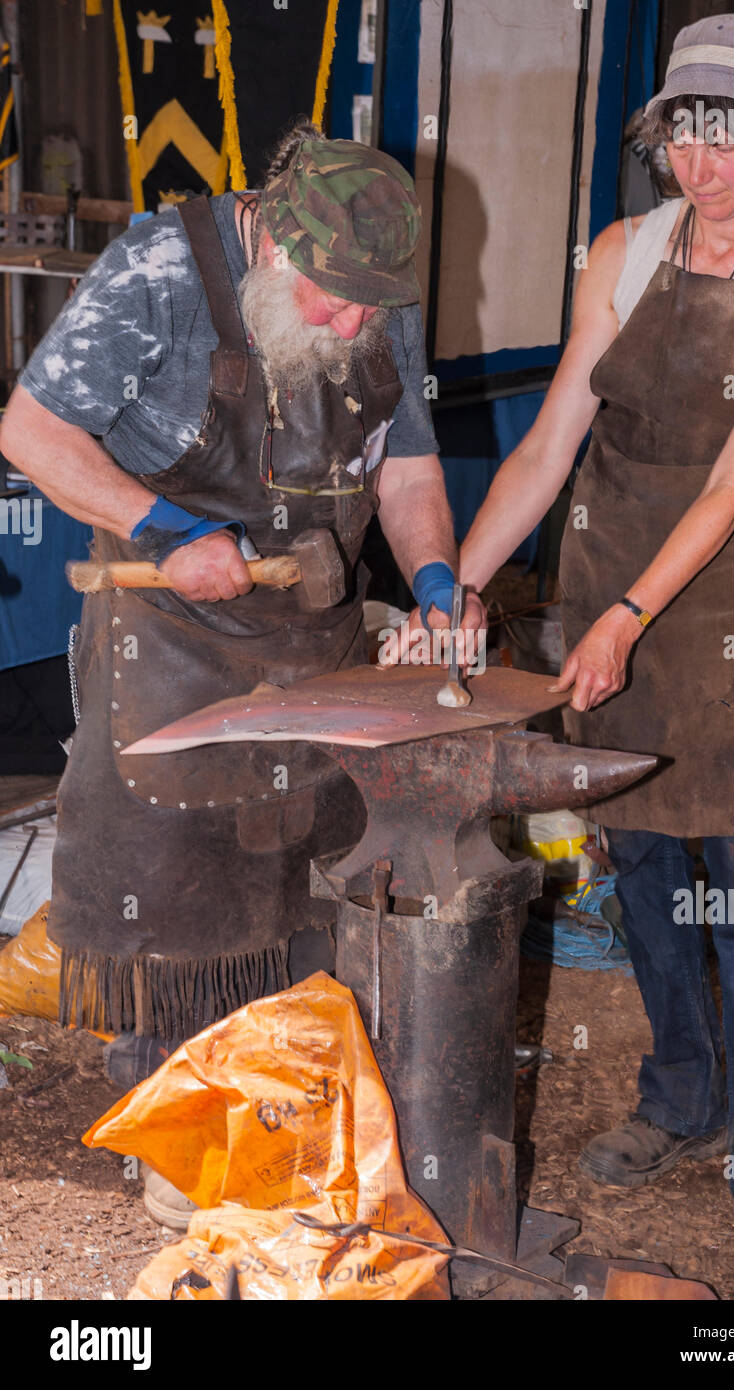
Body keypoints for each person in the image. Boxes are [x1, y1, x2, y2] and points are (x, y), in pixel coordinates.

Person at [0, 123, 481, 1219]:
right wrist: (164, 528)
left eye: (370, 311)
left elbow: (406, 461)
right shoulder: (159, 269)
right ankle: (172, 1130)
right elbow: (31, 431)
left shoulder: (371, 285)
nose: (354, 327)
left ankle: (272, 1109)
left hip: (312, 639)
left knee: (294, 878)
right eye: (332, 304)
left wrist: (436, 580)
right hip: (168, 639)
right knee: (172, 893)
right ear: (273, 238)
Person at [458, 14, 734, 1290]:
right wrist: (457, 580)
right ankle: (680, 1090)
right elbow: (551, 441)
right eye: (687, 135)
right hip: (612, 559)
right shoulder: (622, 253)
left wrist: (632, 617)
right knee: (636, 858)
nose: (707, 165)